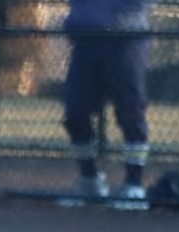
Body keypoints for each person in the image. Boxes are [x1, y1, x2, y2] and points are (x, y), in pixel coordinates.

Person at [62, 0, 153, 207]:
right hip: (86, 42)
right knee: (75, 113)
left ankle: (133, 185)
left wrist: (115, 19)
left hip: (125, 41)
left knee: (130, 112)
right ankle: (90, 180)